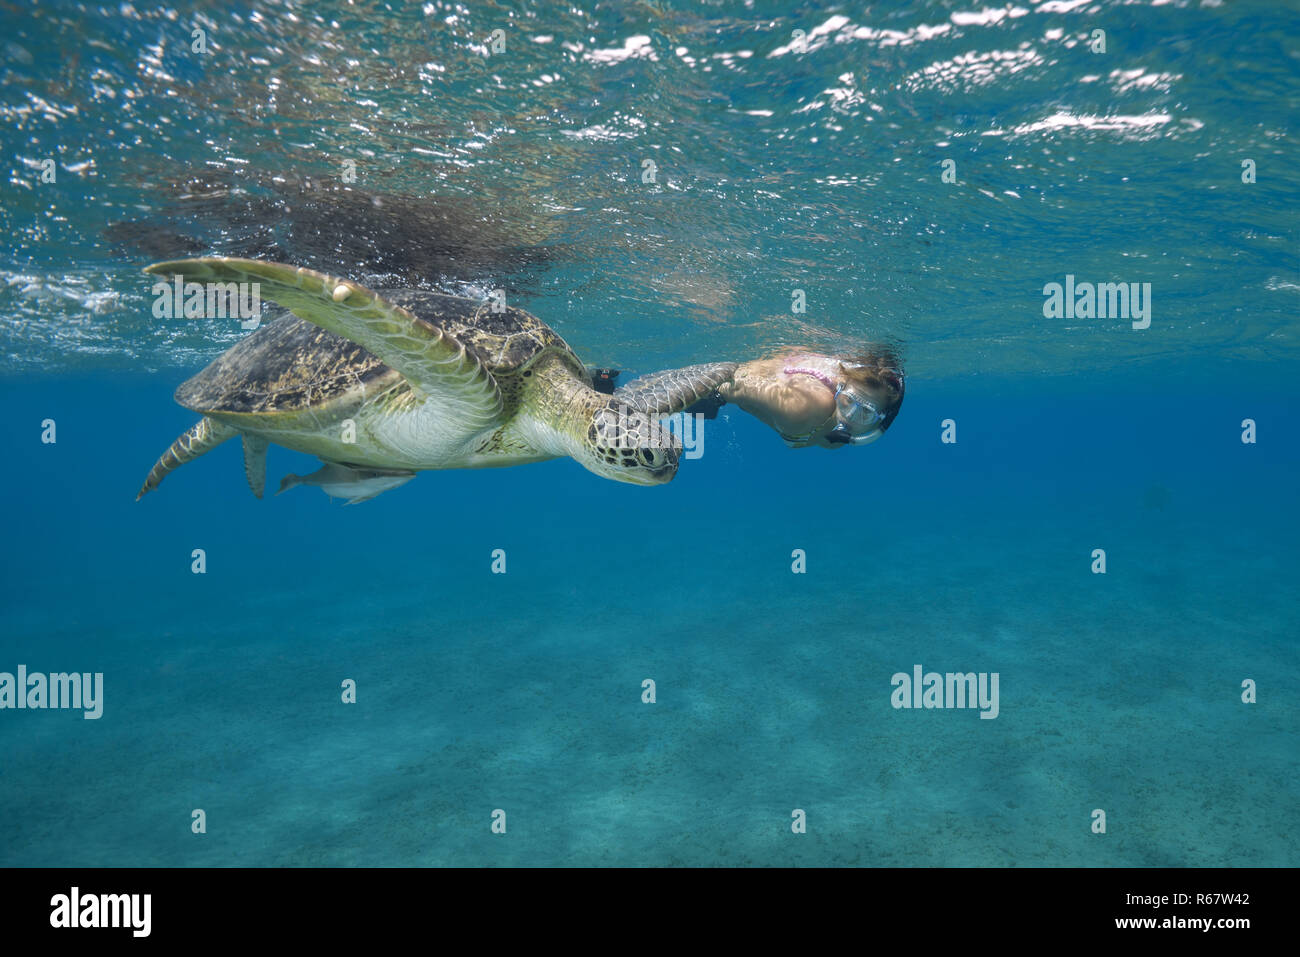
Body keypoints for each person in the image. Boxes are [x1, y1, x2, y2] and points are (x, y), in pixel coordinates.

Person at [715, 349, 904, 448]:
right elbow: (737, 383)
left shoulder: (834, 439)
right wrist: (713, 396)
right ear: (839, 390)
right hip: (755, 376)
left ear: (883, 420)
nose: (850, 417)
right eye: (849, 400)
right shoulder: (806, 407)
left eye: (866, 412)